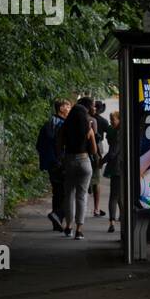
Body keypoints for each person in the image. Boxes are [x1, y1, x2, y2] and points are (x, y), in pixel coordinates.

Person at [59, 101, 99, 239]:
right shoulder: (88, 129)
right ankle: (79, 230)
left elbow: (59, 146)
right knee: (81, 196)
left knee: (69, 194)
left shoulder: (65, 127)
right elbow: (94, 150)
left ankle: (68, 227)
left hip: (69, 161)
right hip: (84, 161)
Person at [35, 99, 70, 231]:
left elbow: (39, 145)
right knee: (67, 192)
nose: (69, 108)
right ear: (61, 108)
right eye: (67, 106)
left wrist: (47, 159)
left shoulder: (47, 124)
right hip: (60, 162)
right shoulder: (63, 124)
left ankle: (57, 223)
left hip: (50, 162)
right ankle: (58, 215)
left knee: (57, 192)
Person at [85, 98, 111, 217]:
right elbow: (110, 133)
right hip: (96, 149)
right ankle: (96, 208)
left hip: (83, 150)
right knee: (96, 180)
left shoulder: (80, 119)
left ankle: (83, 207)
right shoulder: (102, 121)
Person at [105, 110, 122, 233]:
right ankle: (122, 218)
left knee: (114, 197)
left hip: (117, 168)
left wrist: (101, 162)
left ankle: (112, 222)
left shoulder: (118, 134)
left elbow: (112, 153)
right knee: (120, 196)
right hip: (121, 168)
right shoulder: (121, 131)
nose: (111, 123)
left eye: (113, 120)